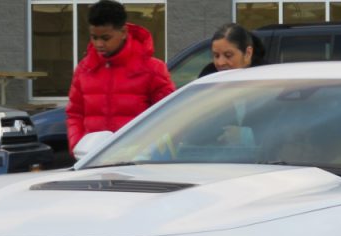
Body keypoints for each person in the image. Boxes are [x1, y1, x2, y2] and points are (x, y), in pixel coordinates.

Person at [66, 0, 174, 152]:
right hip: (92, 158)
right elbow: (75, 113)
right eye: (94, 37)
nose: (98, 44)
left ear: (123, 32)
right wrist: (77, 145)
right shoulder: (84, 69)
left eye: (105, 38)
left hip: (138, 160)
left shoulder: (152, 69)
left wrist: (147, 150)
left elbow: (168, 114)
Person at [198, 23, 266, 78]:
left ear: (248, 53)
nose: (220, 63)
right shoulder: (208, 76)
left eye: (228, 55)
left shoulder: (266, 77)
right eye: (216, 56)